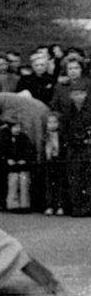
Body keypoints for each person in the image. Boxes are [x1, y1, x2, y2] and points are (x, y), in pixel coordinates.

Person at [51, 58, 91, 216]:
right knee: (73, 173)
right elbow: (55, 108)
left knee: (88, 173)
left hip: (87, 134)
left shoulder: (89, 84)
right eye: (70, 68)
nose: (73, 71)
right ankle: (75, 206)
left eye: (76, 67)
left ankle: (88, 205)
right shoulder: (61, 87)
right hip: (69, 134)